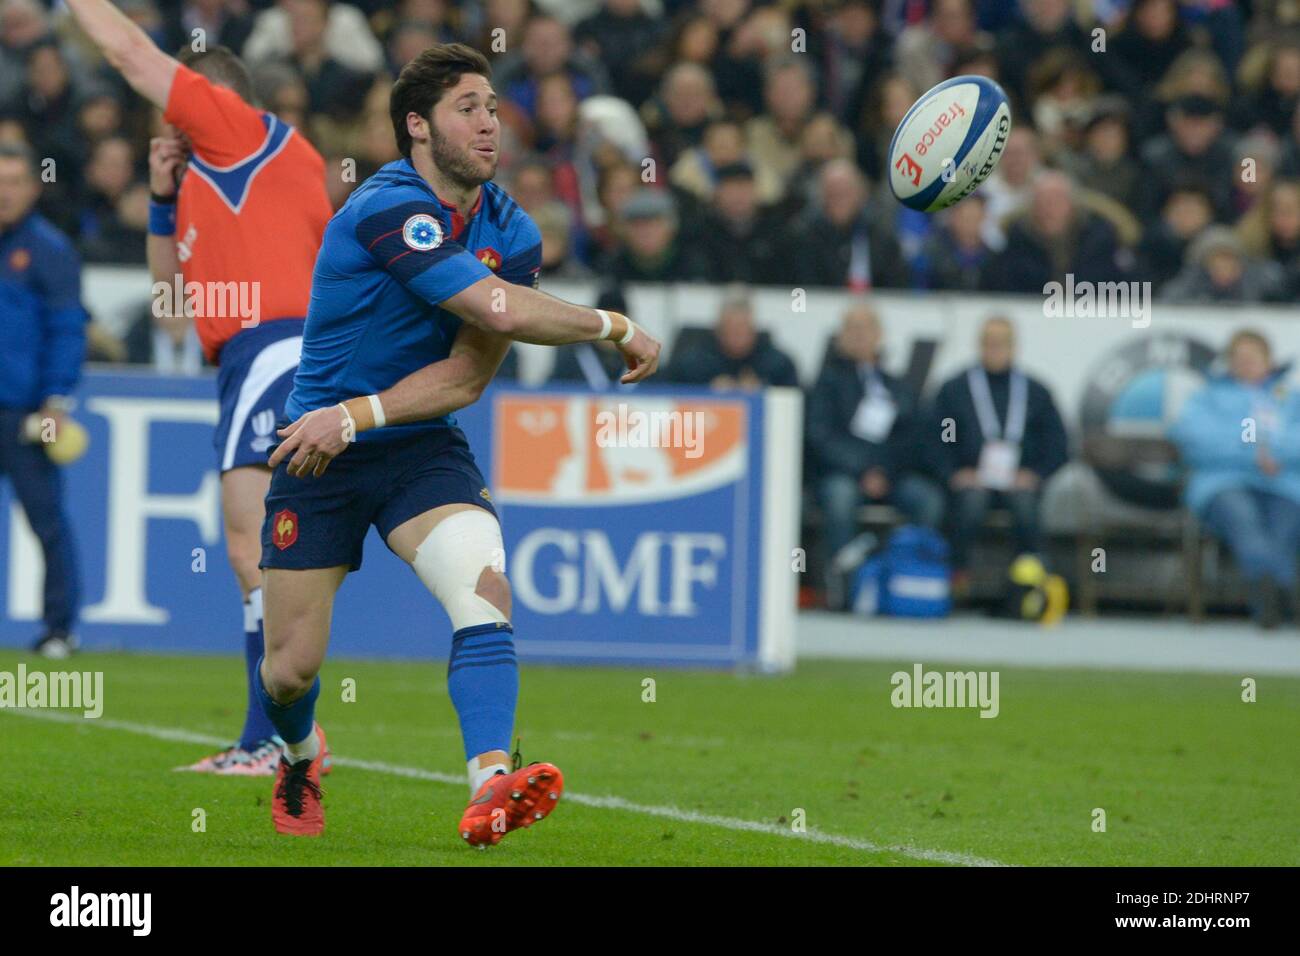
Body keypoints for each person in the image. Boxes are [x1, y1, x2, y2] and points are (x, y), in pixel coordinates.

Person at [252, 43, 661, 845]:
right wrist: (613, 326)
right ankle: (300, 754)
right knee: (289, 668)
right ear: (417, 126)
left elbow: (468, 376)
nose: (488, 124)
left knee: (484, 588)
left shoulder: (511, 230)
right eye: (466, 108)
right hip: (319, 453)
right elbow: (501, 312)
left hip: (413, 443)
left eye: (493, 109)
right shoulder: (385, 206)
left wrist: (363, 414)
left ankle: (489, 783)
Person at [64, 0, 333, 774]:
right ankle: (278, 738)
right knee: (263, 550)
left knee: (253, 546)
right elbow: (172, 313)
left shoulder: (239, 131)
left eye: (172, 119)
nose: (166, 132)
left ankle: (267, 741)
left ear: (205, 104)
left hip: (276, 350)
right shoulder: (216, 181)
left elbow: (127, 51)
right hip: (251, 359)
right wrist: (158, 199)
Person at [0, 142, 87, 659]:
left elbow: (67, 328)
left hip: (26, 414)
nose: (3, 194)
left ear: (33, 188)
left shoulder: (49, 249)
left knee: (47, 520)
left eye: (13, 183)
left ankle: (59, 628)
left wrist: (56, 400)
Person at [805, 302, 943, 608]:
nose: (858, 336)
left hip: (889, 477)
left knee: (927, 498)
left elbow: (913, 439)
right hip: (843, 475)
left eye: (865, 328)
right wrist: (863, 471)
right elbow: (820, 437)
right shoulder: (825, 384)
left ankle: (910, 583)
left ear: (879, 335)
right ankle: (842, 587)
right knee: (839, 497)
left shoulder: (897, 386)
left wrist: (885, 472)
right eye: (851, 329)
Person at [1169, 330, 1300, 628]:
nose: (1246, 364)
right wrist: (1253, 453)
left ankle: (1273, 594)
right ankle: (1276, 588)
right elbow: (1193, 438)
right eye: (1239, 358)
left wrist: (1277, 453)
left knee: (1286, 526)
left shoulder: (1291, 398)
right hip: (1223, 482)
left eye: (1253, 358)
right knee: (1244, 520)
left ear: (1270, 361)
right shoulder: (1207, 396)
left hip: (1284, 483)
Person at [927, 316, 1069, 581]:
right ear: (979, 346)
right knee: (970, 503)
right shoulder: (954, 390)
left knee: (1025, 505)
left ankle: (1029, 580)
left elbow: (1057, 443)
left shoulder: (1036, 392)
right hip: (973, 480)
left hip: (1018, 480)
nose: (995, 349)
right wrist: (953, 473)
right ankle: (956, 577)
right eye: (989, 342)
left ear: (1014, 347)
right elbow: (936, 439)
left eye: (1002, 343)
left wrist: (1035, 474)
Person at [664, 287, 798, 390]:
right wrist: (706, 390)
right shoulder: (692, 363)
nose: (736, 336)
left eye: (742, 329)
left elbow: (794, 399)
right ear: (719, 329)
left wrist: (763, 390)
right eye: (731, 329)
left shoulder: (778, 365)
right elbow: (664, 391)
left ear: (753, 329)